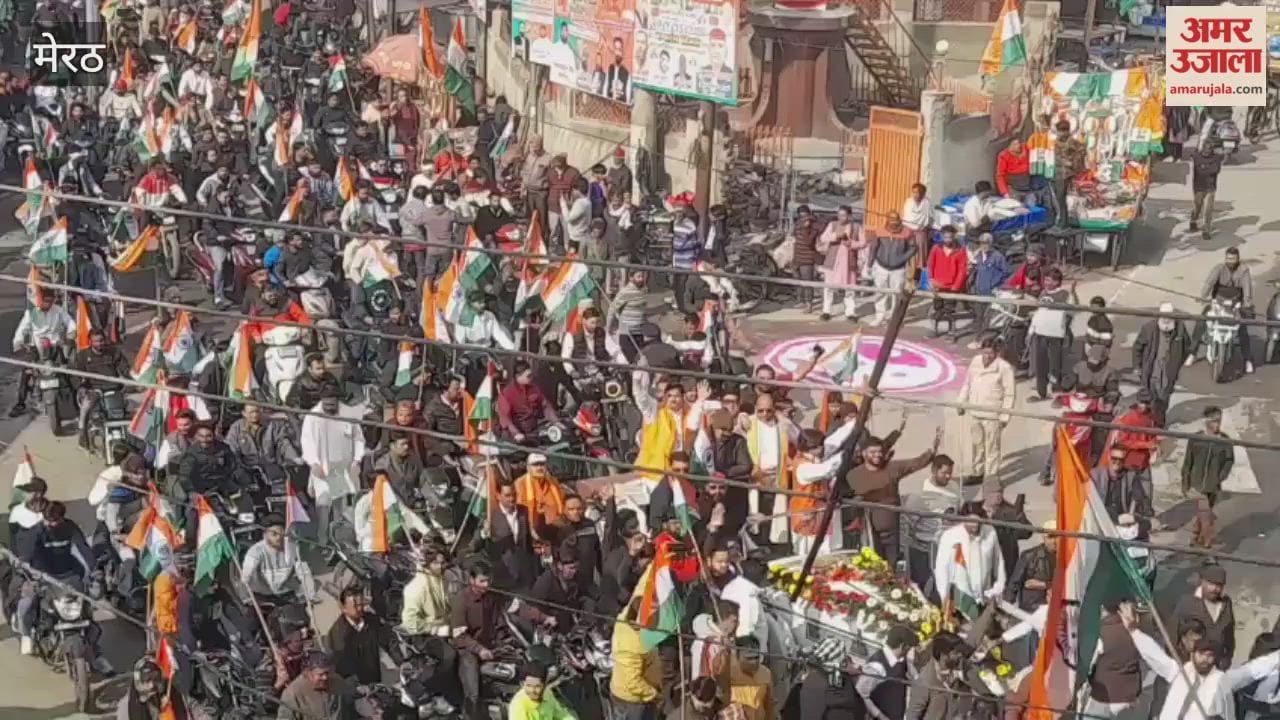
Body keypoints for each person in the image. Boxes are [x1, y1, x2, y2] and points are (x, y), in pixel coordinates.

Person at [1121, 600, 1279, 720]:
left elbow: (1254, 669)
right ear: (1192, 653)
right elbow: (1154, 655)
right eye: (1202, 654)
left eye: (1210, 655)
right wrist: (1133, 631)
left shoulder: (1222, 681)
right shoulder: (1178, 673)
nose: (1206, 659)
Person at [846, 429, 940, 563]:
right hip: (868, 533)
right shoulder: (854, 476)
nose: (877, 455)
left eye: (879, 452)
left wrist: (932, 450)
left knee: (891, 567)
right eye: (873, 452)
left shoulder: (892, 468)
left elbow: (915, 463)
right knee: (871, 567)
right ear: (863, 453)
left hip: (892, 531)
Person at [956, 337, 1015, 493]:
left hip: (993, 414)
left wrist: (1005, 416)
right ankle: (978, 472)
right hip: (975, 411)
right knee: (977, 445)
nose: (988, 356)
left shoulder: (1004, 368)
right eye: (985, 352)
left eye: (991, 353)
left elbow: (1009, 394)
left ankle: (991, 477)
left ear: (997, 352)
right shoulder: (975, 361)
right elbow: (967, 383)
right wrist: (961, 402)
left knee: (992, 447)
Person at [452, 561, 507, 720]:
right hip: (468, 650)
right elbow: (459, 636)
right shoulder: (461, 601)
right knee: (473, 693)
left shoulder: (491, 597)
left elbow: (500, 621)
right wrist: (479, 649)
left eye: (488, 580)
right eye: (482, 580)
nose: (486, 584)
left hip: (490, 645)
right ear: (471, 580)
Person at [9, 289, 76, 417]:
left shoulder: (58, 310)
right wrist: (18, 342)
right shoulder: (32, 313)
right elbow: (22, 329)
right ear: (40, 299)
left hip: (55, 347)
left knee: (68, 372)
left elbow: (70, 323)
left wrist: (71, 333)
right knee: (26, 374)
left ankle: (73, 402)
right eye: (45, 301)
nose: (48, 304)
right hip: (37, 348)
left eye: (50, 301)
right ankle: (21, 403)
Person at [933, 506, 1006, 621]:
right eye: (970, 526)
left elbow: (998, 562)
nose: (974, 528)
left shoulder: (990, 532)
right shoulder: (950, 536)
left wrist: (997, 589)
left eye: (977, 525)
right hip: (959, 599)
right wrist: (944, 597)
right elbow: (941, 570)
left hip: (983, 598)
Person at [902, 455, 960, 597]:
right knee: (921, 583)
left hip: (946, 546)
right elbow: (908, 524)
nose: (947, 477)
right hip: (923, 547)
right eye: (944, 473)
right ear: (934, 470)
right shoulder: (919, 495)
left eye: (950, 473)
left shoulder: (955, 488)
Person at [1190, 246, 1254, 374]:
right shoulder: (1219, 268)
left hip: (1235, 304)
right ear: (1225, 258)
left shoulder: (1244, 270)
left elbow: (1247, 290)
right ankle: (1192, 353)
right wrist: (1203, 296)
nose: (1230, 261)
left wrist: (1247, 303)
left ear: (1238, 259)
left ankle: (1247, 360)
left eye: (1233, 259)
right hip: (1217, 303)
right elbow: (1209, 283)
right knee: (1201, 322)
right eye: (1228, 258)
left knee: (1243, 329)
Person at [1080, 599, 1143, 719]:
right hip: (1131, 697)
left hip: (1106, 697)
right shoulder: (1135, 630)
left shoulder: (1100, 632)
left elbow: (1086, 666)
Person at [327, 585, 403, 684]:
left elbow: (389, 640)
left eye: (361, 604)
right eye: (355, 606)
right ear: (344, 608)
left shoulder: (372, 621)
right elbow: (340, 664)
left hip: (374, 676)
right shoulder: (338, 634)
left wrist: (401, 663)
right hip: (353, 685)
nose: (360, 608)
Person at [1182, 406, 1233, 548]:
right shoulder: (1196, 439)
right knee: (1206, 514)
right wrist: (1185, 483)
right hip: (1197, 483)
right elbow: (1188, 462)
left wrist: (1220, 477)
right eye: (1214, 421)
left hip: (1213, 484)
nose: (1217, 424)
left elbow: (1229, 460)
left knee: (1205, 510)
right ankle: (1207, 541)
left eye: (1219, 421)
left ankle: (1195, 534)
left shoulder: (1225, 441)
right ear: (1206, 421)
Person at [1132, 304, 1191, 426]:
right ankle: (1147, 426)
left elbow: (1186, 348)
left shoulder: (1180, 329)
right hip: (1151, 371)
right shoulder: (1148, 328)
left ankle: (1159, 426)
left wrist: (1176, 364)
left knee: (1162, 402)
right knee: (1148, 399)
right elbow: (1137, 347)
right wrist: (1137, 366)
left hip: (1167, 375)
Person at [71, 328, 130, 449]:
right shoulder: (82, 356)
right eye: (96, 341)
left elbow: (125, 368)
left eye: (101, 340)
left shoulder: (114, 352)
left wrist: (132, 379)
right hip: (94, 390)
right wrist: (81, 387)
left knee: (129, 410)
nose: (99, 344)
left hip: (114, 389)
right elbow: (75, 375)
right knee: (86, 407)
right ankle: (83, 434)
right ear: (90, 342)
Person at [1174, 563, 1237, 671]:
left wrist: (1226, 660)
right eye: (1210, 583)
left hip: (1215, 666)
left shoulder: (1226, 603)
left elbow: (1229, 635)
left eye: (1219, 585)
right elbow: (1173, 635)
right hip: (1191, 666)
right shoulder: (1187, 602)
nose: (1214, 589)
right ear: (1202, 581)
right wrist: (1182, 664)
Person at [240, 514, 313, 604]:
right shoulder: (255, 551)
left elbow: (304, 572)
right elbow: (246, 577)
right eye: (274, 534)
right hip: (263, 595)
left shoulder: (292, 548)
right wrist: (247, 598)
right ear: (265, 535)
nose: (278, 538)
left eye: (281, 534)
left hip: (287, 593)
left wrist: (308, 595)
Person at [1027, 269, 1074, 401]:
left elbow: (1074, 310)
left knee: (1055, 365)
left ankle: (1055, 391)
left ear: (1057, 282)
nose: (1046, 282)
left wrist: (1073, 291)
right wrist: (1031, 330)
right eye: (1046, 279)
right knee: (1040, 364)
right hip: (1040, 334)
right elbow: (1038, 313)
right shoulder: (1042, 293)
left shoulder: (1065, 294)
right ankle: (1041, 391)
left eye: (1050, 280)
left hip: (1055, 335)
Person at [856, 625, 917, 720]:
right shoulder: (877, 666)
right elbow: (861, 695)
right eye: (910, 648)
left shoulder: (901, 662)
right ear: (903, 646)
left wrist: (910, 662)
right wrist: (881, 716)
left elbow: (916, 682)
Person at [905, 631, 969, 720]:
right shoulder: (925, 682)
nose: (960, 656)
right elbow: (912, 716)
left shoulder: (954, 668)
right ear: (943, 656)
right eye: (956, 653)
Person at [867, 212, 916, 326]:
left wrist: (902, 258)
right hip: (881, 266)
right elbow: (873, 247)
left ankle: (894, 318)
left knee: (897, 294)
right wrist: (869, 264)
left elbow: (913, 248)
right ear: (887, 220)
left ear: (899, 220)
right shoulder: (879, 231)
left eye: (896, 220)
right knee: (880, 292)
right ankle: (880, 316)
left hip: (898, 268)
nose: (894, 223)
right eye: (891, 220)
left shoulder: (907, 232)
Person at [276, 651, 356, 720]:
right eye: (320, 674)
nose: (325, 677)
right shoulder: (293, 693)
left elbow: (351, 705)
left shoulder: (337, 681)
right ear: (307, 673)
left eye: (327, 673)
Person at [818, 205, 864, 321]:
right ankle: (826, 311)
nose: (840, 217)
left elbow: (863, 243)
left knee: (850, 288)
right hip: (832, 262)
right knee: (828, 287)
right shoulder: (832, 225)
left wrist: (851, 243)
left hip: (849, 262)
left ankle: (850, 312)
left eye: (843, 215)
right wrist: (835, 236)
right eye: (839, 215)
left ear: (849, 216)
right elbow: (823, 238)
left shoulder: (856, 227)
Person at [926, 226, 967, 338]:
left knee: (950, 310)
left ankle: (951, 331)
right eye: (945, 237)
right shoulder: (936, 248)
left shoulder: (960, 250)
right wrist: (931, 280)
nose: (947, 239)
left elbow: (962, 270)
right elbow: (930, 265)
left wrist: (956, 286)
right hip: (937, 285)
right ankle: (934, 330)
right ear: (942, 236)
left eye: (950, 237)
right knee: (937, 307)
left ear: (954, 237)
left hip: (952, 286)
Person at [509, 663, 576, 720]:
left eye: (537, 686)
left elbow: (562, 716)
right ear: (522, 684)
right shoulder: (518, 706)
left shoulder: (547, 694)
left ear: (544, 685)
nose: (533, 691)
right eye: (529, 686)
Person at [1190, 143, 1223, 239]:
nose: (1207, 152)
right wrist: (1207, 168)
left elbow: (1215, 170)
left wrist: (1204, 167)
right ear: (1202, 149)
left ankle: (1206, 230)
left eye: (1209, 149)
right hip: (1198, 186)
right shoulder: (1196, 157)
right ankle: (1193, 219)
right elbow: (1200, 170)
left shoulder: (1216, 158)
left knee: (1208, 209)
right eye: (1205, 150)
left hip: (1210, 187)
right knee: (1198, 206)